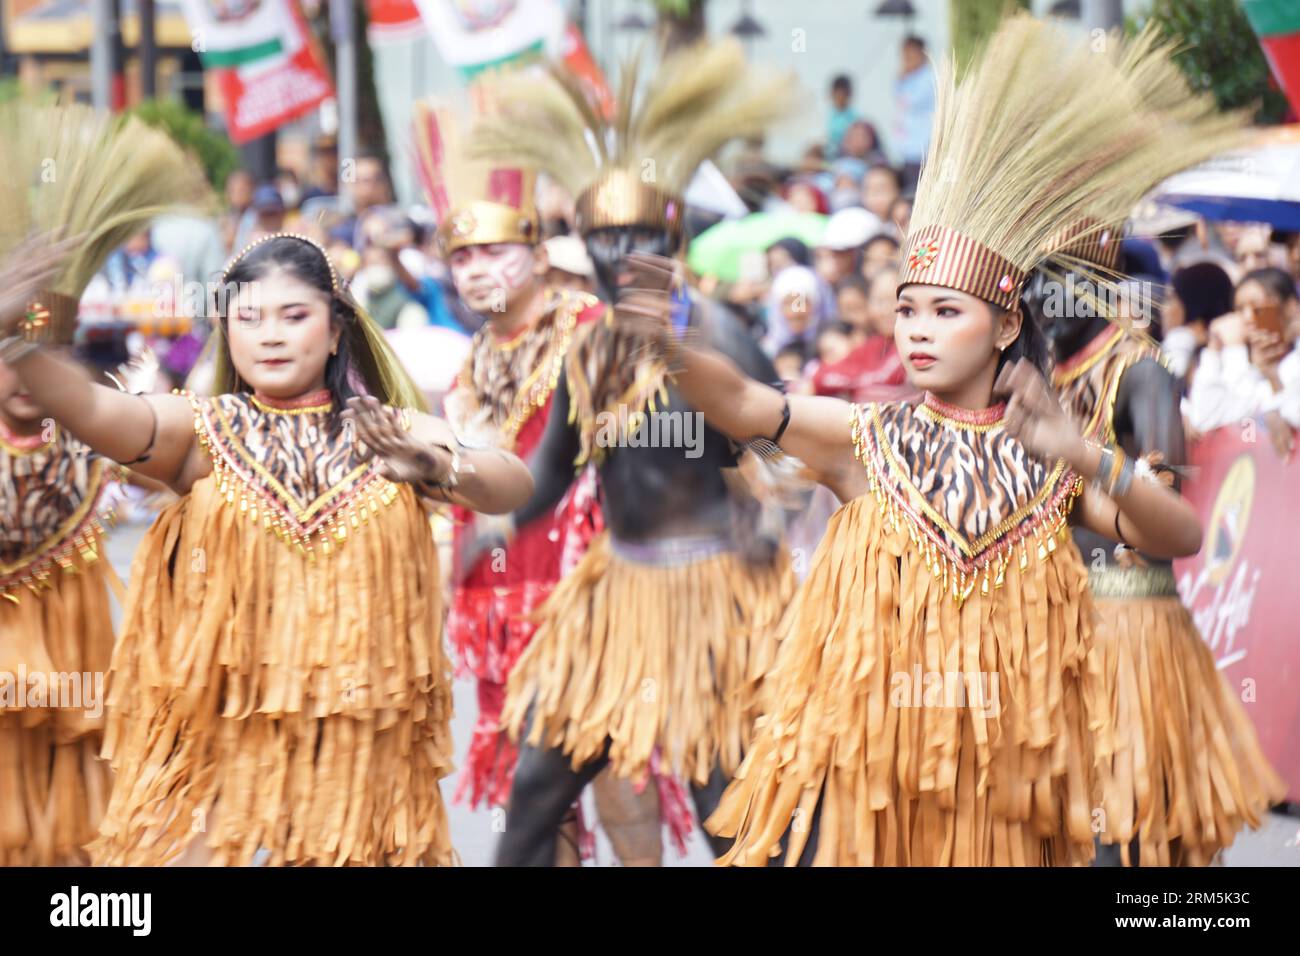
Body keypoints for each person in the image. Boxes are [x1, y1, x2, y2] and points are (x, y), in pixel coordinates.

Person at [615, 16, 1246, 866]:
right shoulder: (863, 438)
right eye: (907, 309)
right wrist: (664, 341)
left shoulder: (1050, 456)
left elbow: (1178, 534)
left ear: (1004, 324)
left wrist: (1083, 451)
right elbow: (741, 402)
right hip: (879, 793)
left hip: (1015, 796)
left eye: (945, 312)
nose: (916, 330)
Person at [5, 231, 536, 866]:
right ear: (226, 330)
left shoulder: (390, 434)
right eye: (248, 318)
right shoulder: (198, 432)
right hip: (228, 743)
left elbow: (512, 485)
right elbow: (92, 408)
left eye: (295, 315)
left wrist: (439, 466)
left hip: (358, 749)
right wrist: (18, 341)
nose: (271, 335)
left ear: (337, 330)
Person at [470, 37, 797, 866]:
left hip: (713, 600)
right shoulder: (591, 350)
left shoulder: (720, 335)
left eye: (636, 234)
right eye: (603, 238)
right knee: (536, 790)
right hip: (613, 596)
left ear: (670, 232)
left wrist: (768, 519)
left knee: (730, 807)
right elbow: (551, 473)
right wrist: (495, 529)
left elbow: (786, 451)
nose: (619, 255)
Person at [1030, 222, 1285, 866]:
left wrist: (1080, 461)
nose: (1036, 301)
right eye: (1028, 287)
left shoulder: (1143, 371)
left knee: (1134, 826)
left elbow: (1164, 525)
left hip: (1129, 630)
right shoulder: (1046, 374)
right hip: (1059, 622)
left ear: (1094, 286)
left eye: (1051, 284)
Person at [1184, 266, 1300, 453]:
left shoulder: (1294, 360)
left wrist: (1234, 350)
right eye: (1239, 309)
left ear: (1290, 306)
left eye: (1256, 306)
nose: (1247, 317)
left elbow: (1241, 417)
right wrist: (1213, 351)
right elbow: (1205, 419)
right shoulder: (1240, 360)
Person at [893, 35, 935, 191]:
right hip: (908, 149)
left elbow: (912, 102)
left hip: (923, 148)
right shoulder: (906, 78)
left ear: (922, 53)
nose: (906, 58)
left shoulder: (929, 77)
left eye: (910, 52)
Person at [826, 74, 860, 160]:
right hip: (829, 159)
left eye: (843, 95)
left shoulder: (855, 118)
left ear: (849, 95)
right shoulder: (828, 116)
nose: (839, 98)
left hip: (847, 159)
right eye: (837, 95)